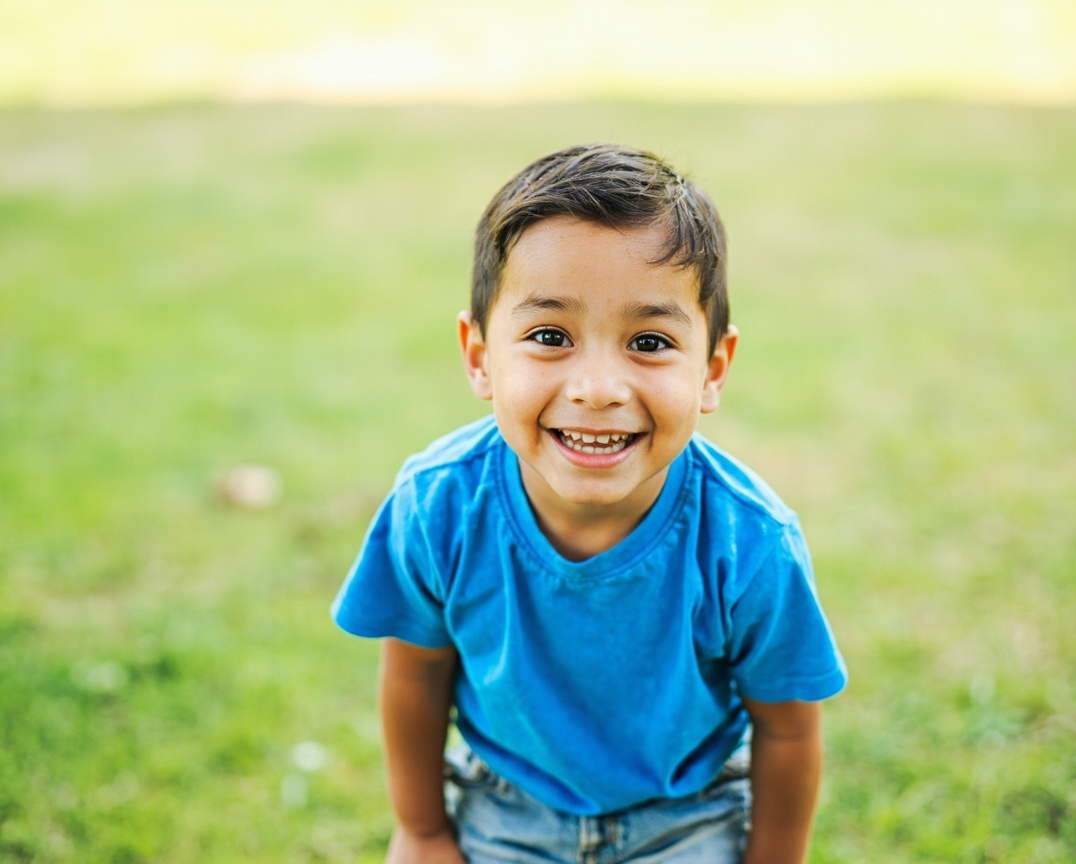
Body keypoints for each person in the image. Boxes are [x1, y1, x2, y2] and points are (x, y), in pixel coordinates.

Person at [331, 143, 847, 864]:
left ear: (712, 369)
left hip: (687, 817)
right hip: (506, 808)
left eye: (648, 340)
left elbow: (789, 728)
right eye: (549, 336)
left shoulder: (749, 542)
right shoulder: (440, 505)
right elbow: (416, 671)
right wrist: (421, 830)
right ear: (480, 355)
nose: (597, 387)